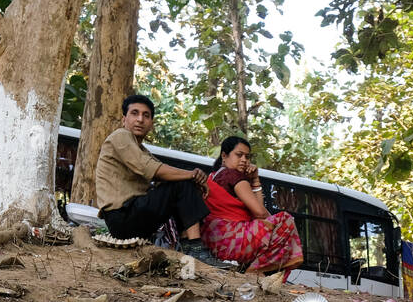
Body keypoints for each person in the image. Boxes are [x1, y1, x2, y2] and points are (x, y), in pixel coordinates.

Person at [95, 94, 226, 265]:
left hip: (132, 216)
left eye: (146, 115)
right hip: (121, 217)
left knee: (182, 183)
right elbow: (153, 169)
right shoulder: (120, 136)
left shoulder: (142, 150)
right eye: (135, 113)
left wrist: (192, 179)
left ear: (151, 123)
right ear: (124, 119)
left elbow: (161, 176)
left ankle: (188, 243)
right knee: (183, 182)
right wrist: (192, 175)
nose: (140, 119)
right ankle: (195, 248)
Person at [200, 135, 304, 273]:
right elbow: (260, 214)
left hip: (214, 241)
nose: (244, 160)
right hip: (231, 240)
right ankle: (255, 270)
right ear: (224, 156)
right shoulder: (233, 175)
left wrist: (254, 180)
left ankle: (252, 269)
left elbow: (258, 215)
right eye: (239, 155)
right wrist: (255, 181)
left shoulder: (214, 176)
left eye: (247, 156)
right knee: (285, 220)